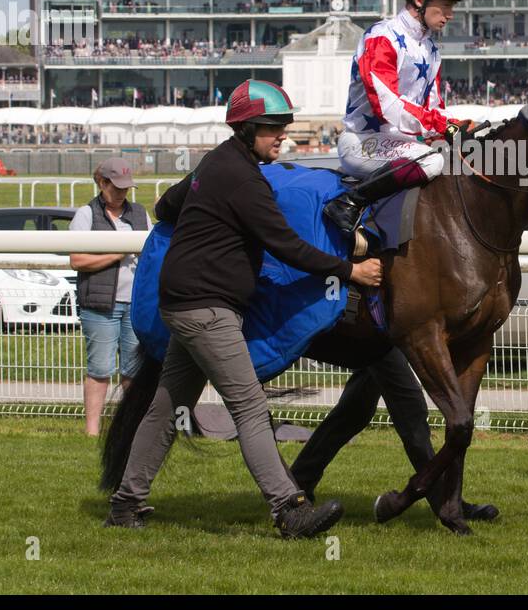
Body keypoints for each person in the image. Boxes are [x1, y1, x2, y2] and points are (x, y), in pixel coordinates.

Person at [106, 79, 384, 538]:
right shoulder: (244, 180)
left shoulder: (213, 165)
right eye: (272, 128)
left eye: (283, 127)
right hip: (207, 310)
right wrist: (349, 270)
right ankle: (288, 508)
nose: (282, 136)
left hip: (183, 304)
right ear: (246, 128)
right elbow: (287, 245)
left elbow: (163, 206)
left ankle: (125, 505)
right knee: (251, 408)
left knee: (165, 407)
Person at [322, 0, 477, 234]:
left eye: (453, 6)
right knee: (431, 160)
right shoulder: (381, 38)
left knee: (464, 157)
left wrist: (457, 125)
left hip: (400, 143)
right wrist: (442, 126)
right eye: (446, 5)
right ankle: (350, 202)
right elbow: (388, 107)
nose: (450, 14)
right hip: (363, 142)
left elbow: (433, 107)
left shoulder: (431, 49)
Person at [288, 347, 498, 522]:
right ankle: (446, 503)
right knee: (411, 410)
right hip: (377, 334)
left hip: (380, 331)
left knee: (353, 411)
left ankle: (299, 481)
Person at [69, 158, 150, 437]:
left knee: (133, 370)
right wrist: (118, 253)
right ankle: (92, 430)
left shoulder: (140, 214)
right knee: (100, 368)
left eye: (126, 188)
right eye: (116, 187)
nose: (122, 193)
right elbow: (77, 260)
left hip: (135, 305)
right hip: (100, 305)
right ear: (101, 183)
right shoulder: (86, 215)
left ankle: (130, 429)